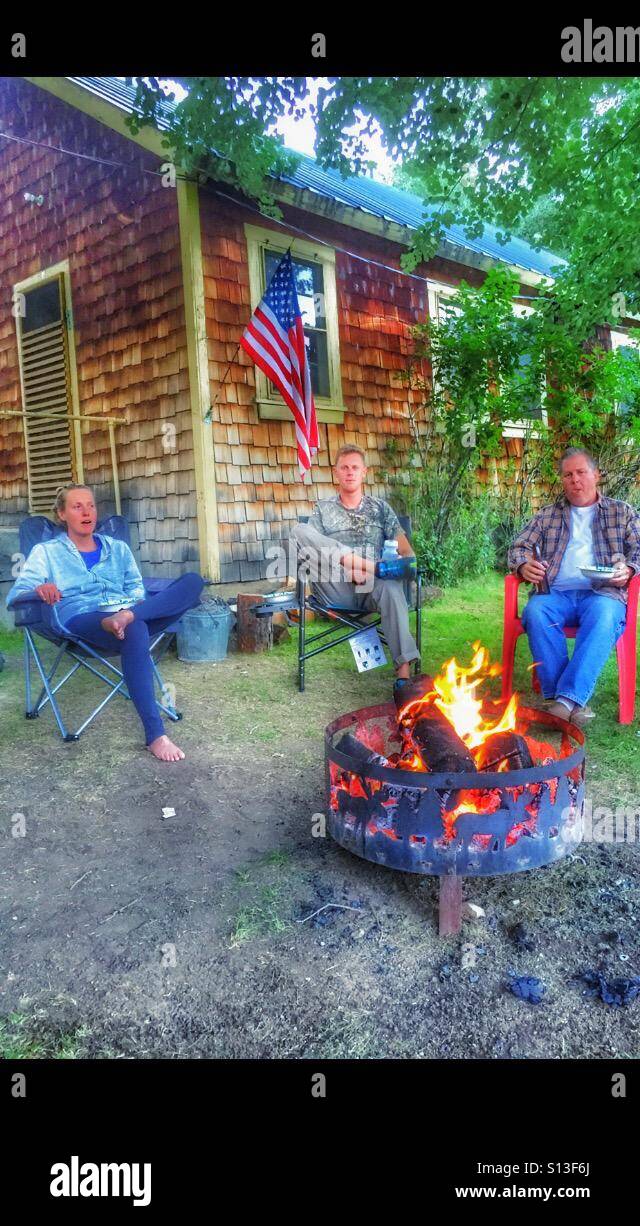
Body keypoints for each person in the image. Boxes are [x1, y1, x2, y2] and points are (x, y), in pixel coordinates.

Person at [6, 483, 205, 761]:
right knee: (136, 630)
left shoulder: (118, 548)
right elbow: (16, 596)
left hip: (127, 612)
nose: (87, 512)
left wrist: (130, 608)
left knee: (193, 581)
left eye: (91, 505)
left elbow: (136, 587)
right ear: (62, 514)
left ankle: (127, 618)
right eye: (77, 506)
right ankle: (156, 735)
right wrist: (38, 590)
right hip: (79, 619)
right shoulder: (46, 552)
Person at [508, 446, 640, 725]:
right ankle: (572, 703)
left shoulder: (622, 512)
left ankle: (563, 701)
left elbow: (638, 549)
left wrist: (628, 568)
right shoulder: (547, 515)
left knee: (604, 615)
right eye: (568, 475)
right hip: (557, 593)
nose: (575, 480)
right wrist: (522, 565)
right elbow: (518, 547)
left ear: (596, 475)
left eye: (581, 472)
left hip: (603, 593)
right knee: (536, 612)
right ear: (562, 481)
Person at [291, 445, 420, 683]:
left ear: (364, 472)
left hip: (373, 586)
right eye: (344, 467)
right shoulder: (323, 509)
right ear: (336, 473)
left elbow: (407, 554)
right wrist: (354, 567)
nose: (349, 472)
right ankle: (371, 566)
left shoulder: (380, 509)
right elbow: (315, 549)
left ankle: (404, 678)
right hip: (334, 586)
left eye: (355, 467)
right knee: (299, 531)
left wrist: (385, 567)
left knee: (391, 587)